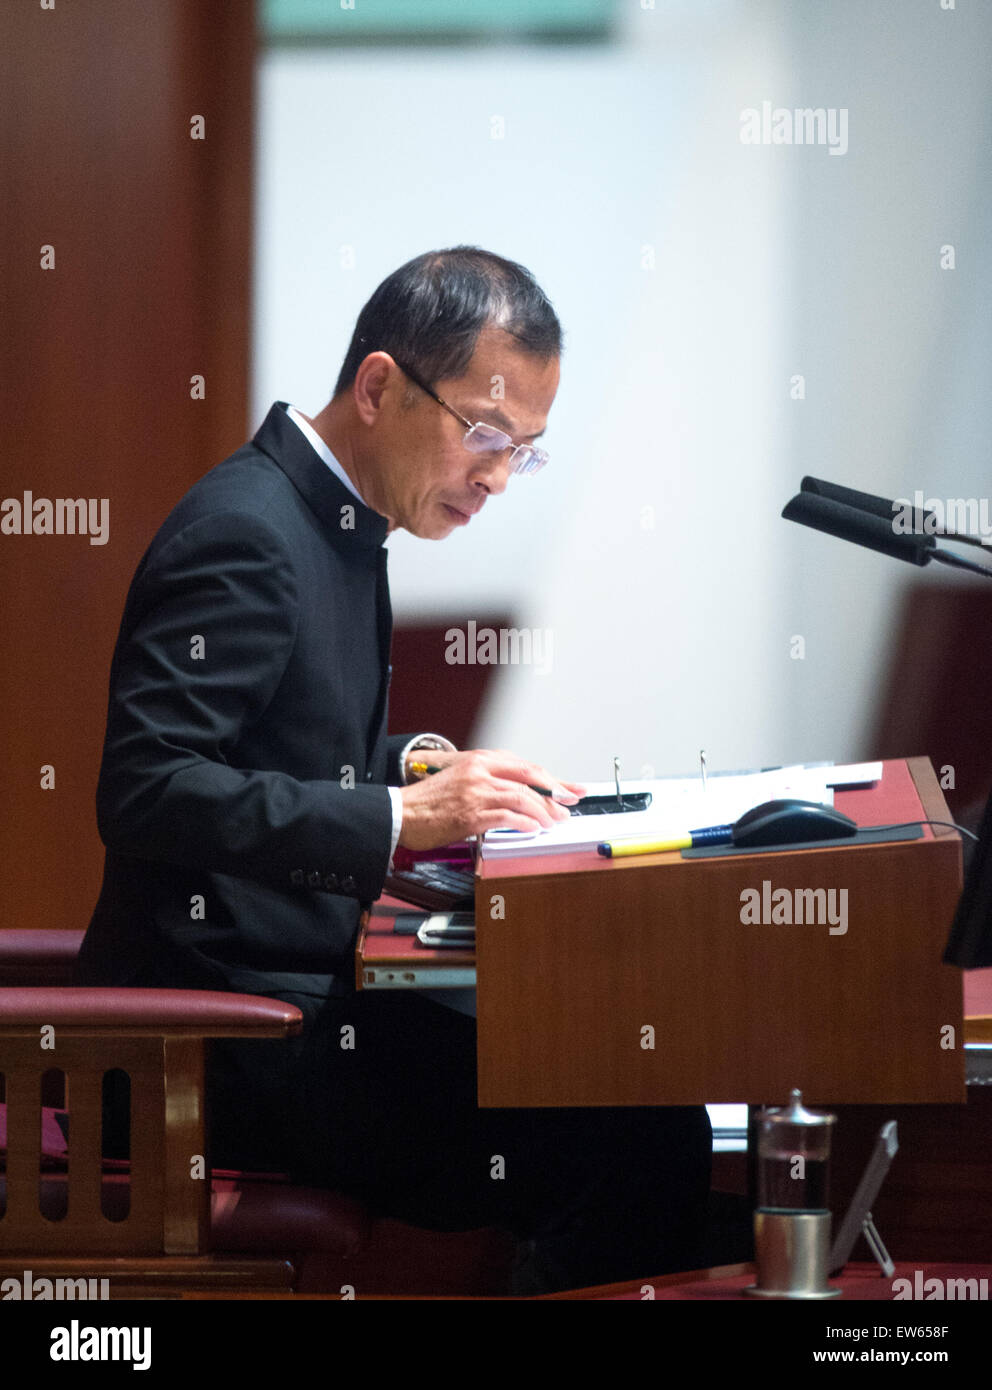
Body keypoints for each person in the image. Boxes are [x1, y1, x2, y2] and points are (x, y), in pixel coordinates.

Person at [77, 246, 712, 1292]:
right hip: (223, 1040)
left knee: (635, 1095)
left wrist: (418, 767)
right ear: (379, 386)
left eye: (525, 451)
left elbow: (278, 743)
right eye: (484, 434)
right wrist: (398, 819)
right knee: (636, 1134)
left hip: (295, 1005)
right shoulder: (248, 531)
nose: (498, 477)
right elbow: (147, 786)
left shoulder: (334, 520)